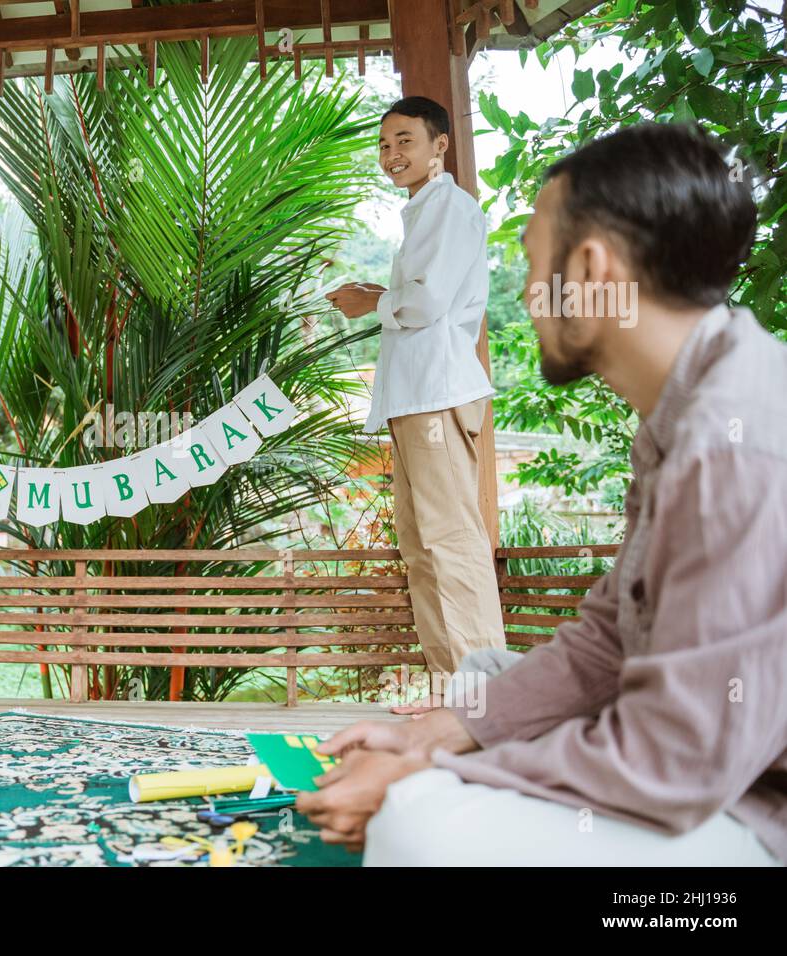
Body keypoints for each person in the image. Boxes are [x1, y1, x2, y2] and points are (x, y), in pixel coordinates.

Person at [298, 122, 786, 866]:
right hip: (706, 765)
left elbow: (676, 758)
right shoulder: (685, 412)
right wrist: (435, 734)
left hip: (750, 801)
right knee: (476, 689)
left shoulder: (734, 439)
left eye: (531, 264)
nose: (524, 295)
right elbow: (608, 636)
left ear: (589, 266)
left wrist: (431, 773)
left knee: (417, 825)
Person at [327, 97, 505, 700]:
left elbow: (427, 308)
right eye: (384, 144)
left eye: (405, 140)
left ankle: (482, 699)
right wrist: (384, 292)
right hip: (412, 402)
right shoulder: (421, 214)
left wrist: (372, 304)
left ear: (439, 146)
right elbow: (426, 299)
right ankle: (451, 694)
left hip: (437, 398)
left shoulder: (450, 209)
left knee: (451, 543)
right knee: (422, 548)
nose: (392, 154)